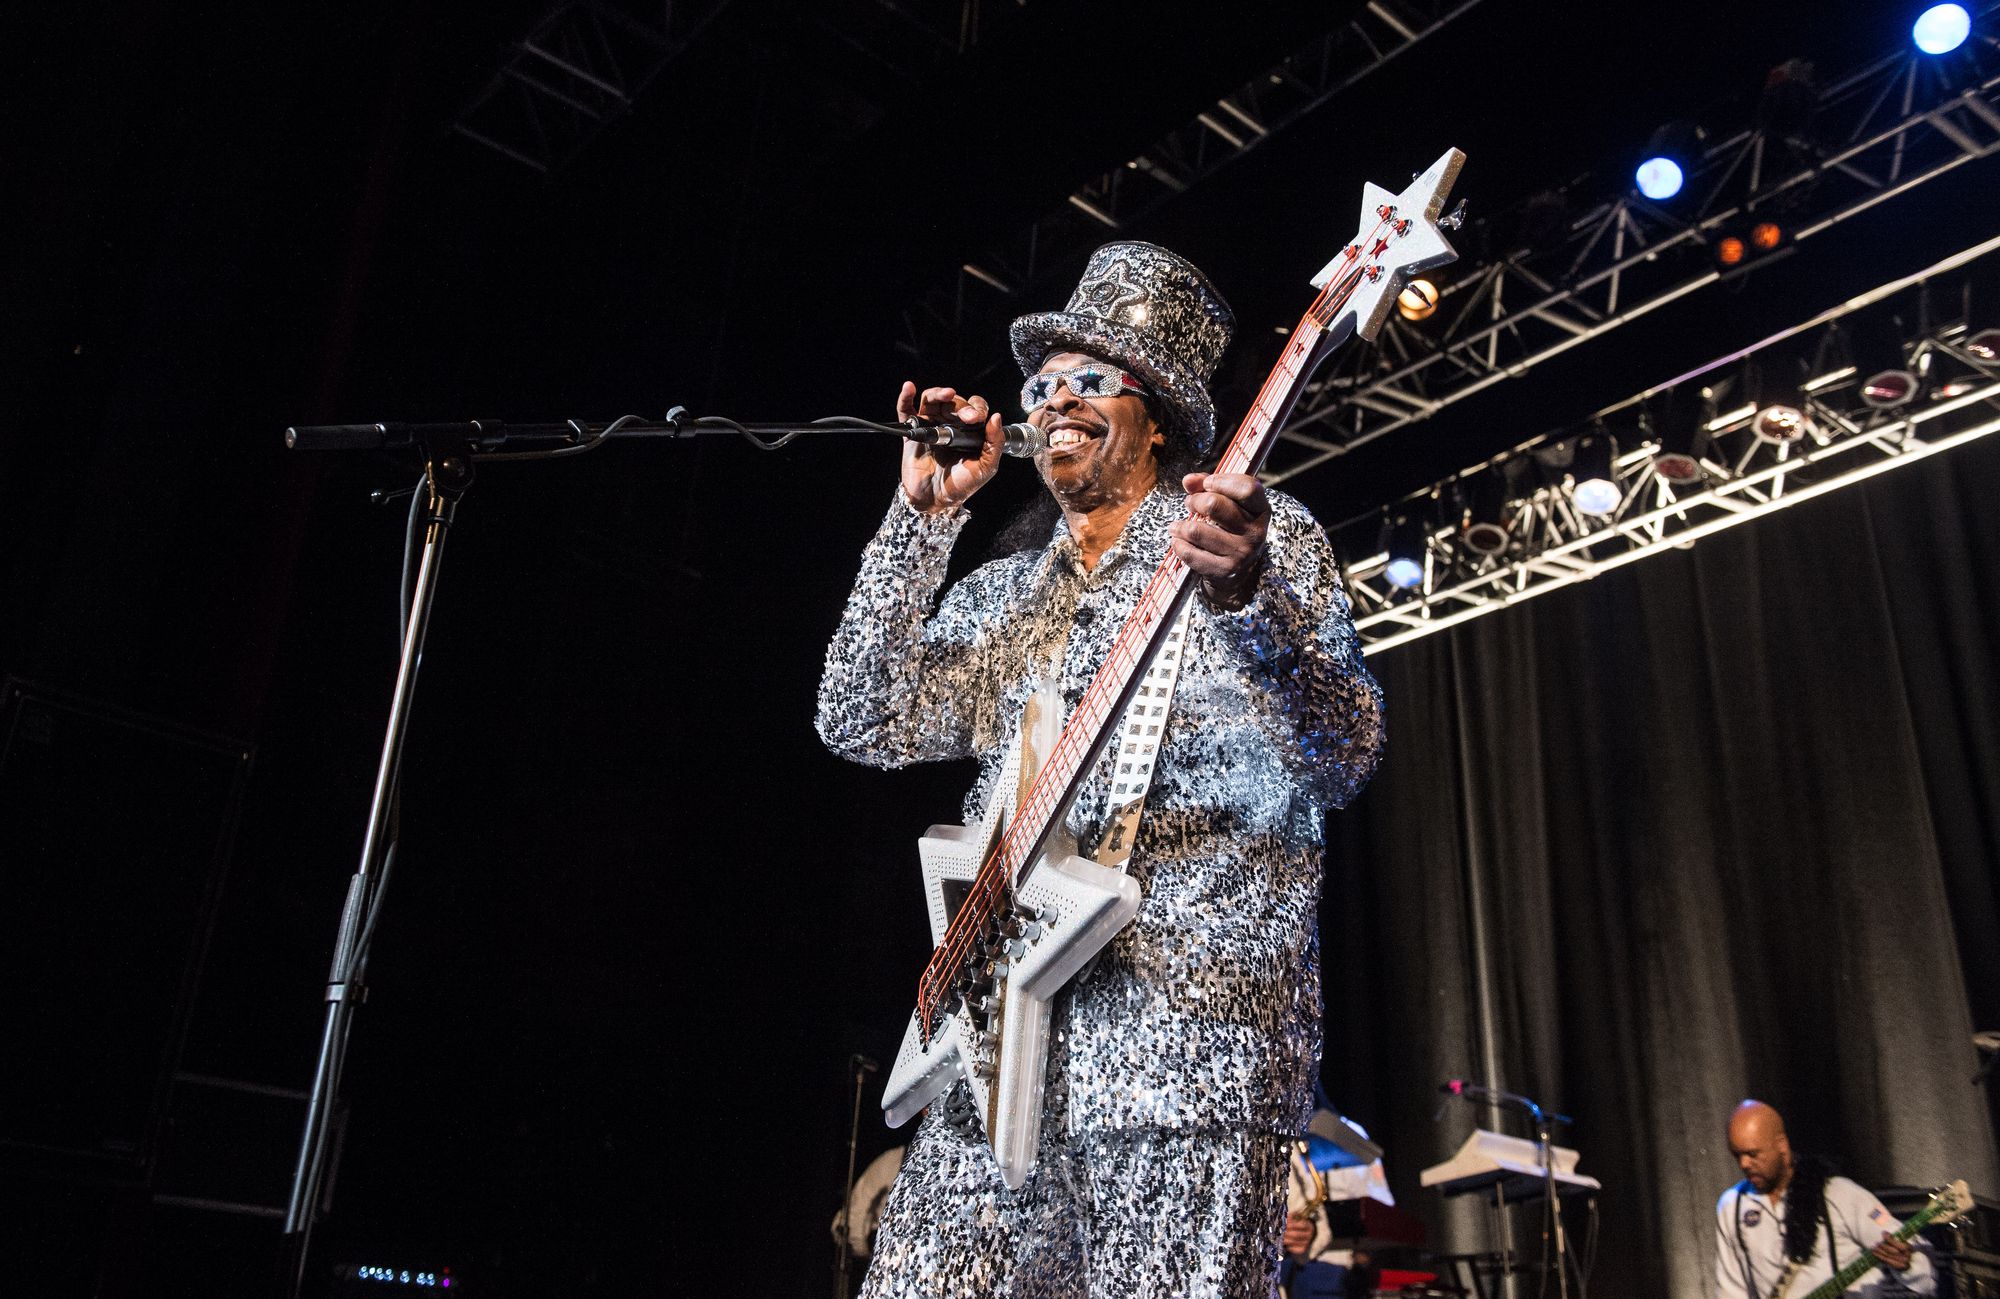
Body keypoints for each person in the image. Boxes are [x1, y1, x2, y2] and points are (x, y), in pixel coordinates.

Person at [816, 241, 1384, 1297]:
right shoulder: (1006, 597)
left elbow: (1344, 750)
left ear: (1156, 415)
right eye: (1042, 384)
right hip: (995, 1057)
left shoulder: (1244, 541)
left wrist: (1249, 601)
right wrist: (921, 519)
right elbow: (859, 717)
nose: (1054, 400)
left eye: (1091, 380)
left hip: (1188, 1053)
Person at [1714, 1099, 1935, 1299]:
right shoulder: (1732, 1206)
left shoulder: (1838, 1195)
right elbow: (1731, 1290)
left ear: (1781, 1145)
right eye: (1737, 1155)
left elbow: (1925, 1274)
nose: (1743, 1164)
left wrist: (1907, 1265)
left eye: (1752, 1154)